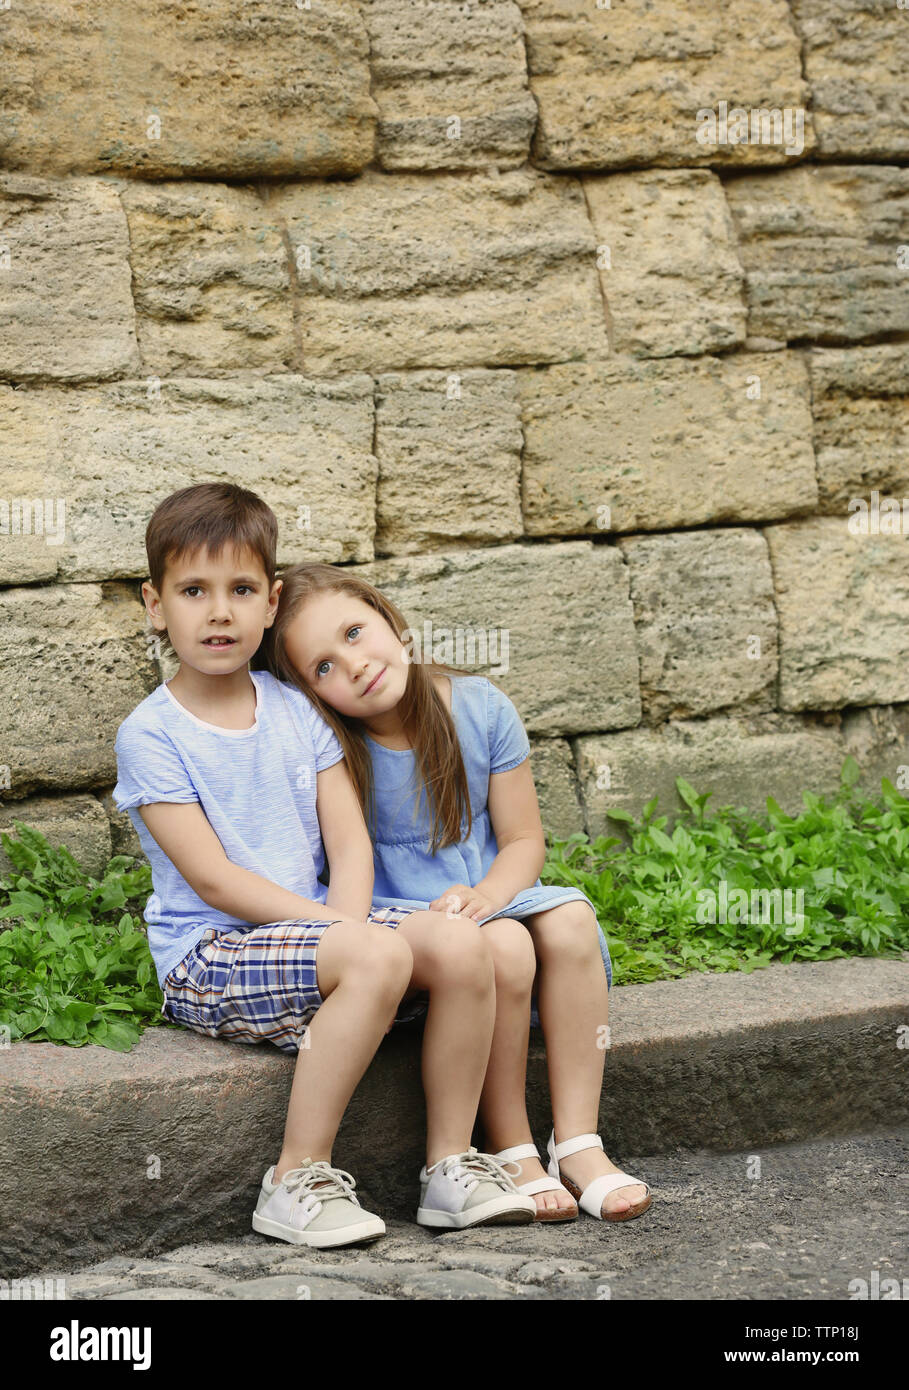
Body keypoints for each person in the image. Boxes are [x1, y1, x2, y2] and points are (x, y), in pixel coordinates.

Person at [112, 482, 537, 1250]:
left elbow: (349, 846)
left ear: (270, 603)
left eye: (241, 589)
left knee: (465, 939)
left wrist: (353, 935)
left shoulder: (296, 707)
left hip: (319, 936)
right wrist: (353, 941)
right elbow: (214, 881)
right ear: (154, 604)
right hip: (212, 956)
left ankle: (449, 1164)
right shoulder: (152, 735)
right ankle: (294, 1178)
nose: (219, 612)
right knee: (376, 950)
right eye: (193, 591)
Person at [254, 562, 653, 1223]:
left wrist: (490, 892)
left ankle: (578, 1142)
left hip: (489, 891)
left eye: (355, 633)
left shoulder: (477, 707)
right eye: (322, 667)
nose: (352, 664)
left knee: (571, 922)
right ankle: (509, 1146)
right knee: (505, 948)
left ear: (388, 618)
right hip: (404, 913)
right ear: (310, 694)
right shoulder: (331, 748)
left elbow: (524, 839)